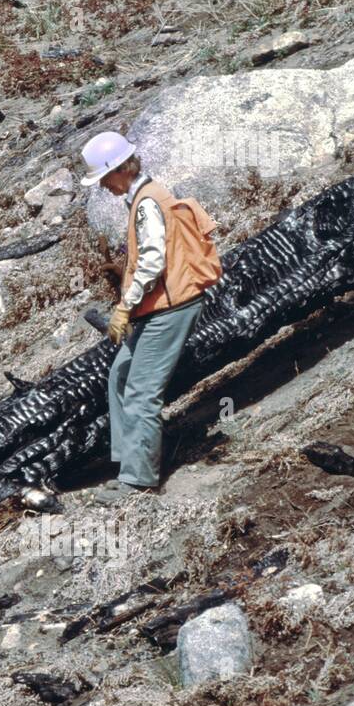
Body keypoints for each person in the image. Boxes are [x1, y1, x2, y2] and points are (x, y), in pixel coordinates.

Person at [79, 131, 221, 502]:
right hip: (157, 307)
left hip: (170, 308)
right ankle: (129, 462)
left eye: (104, 179)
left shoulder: (145, 204)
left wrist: (125, 306)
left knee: (141, 392)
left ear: (121, 170)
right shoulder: (143, 197)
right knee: (120, 375)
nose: (103, 187)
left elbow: (154, 260)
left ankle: (138, 483)